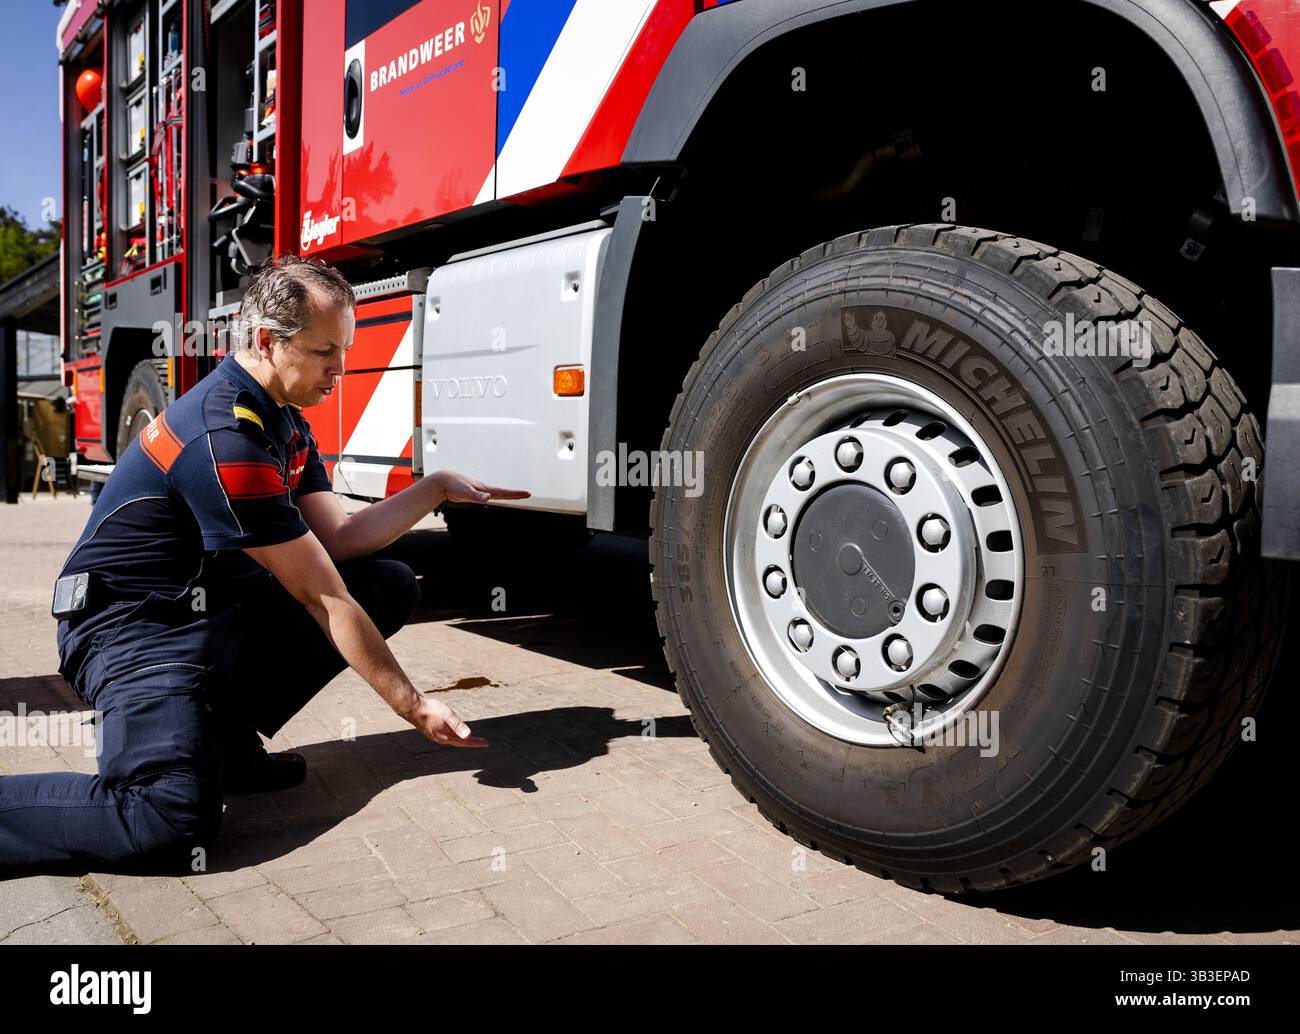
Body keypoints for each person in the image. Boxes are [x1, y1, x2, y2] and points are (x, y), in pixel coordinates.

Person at [0, 255, 528, 872]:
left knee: (386, 584)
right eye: (324, 351)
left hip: (197, 610)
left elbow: (341, 538)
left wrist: (434, 488)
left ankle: (218, 741)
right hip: (131, 627)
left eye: (344, 350)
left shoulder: (283, 422)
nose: (340, 369)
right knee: (166, 818)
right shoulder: (226, 437)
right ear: (266, 342)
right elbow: (322, 597)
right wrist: (414, 706)